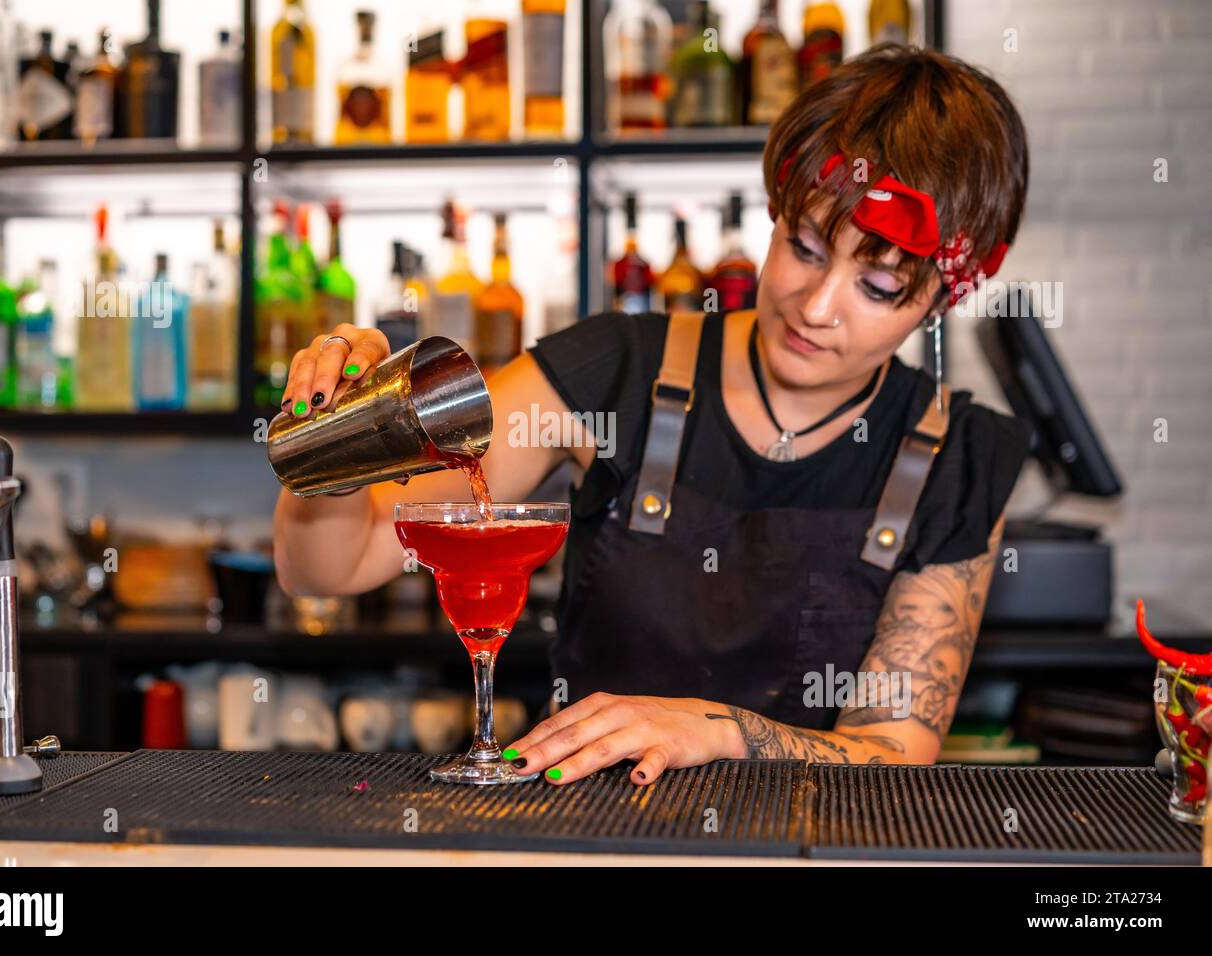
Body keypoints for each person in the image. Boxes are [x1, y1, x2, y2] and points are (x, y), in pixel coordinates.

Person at [272, 45, 1031, 785]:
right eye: (803, 246)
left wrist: (712, 729)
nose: (817, 307)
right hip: (587, 834)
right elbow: (335, 565)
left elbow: (892, 750)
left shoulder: (955, 456)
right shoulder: (615, 369)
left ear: (941, 298)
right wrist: (340, 437)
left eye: (878, 288)